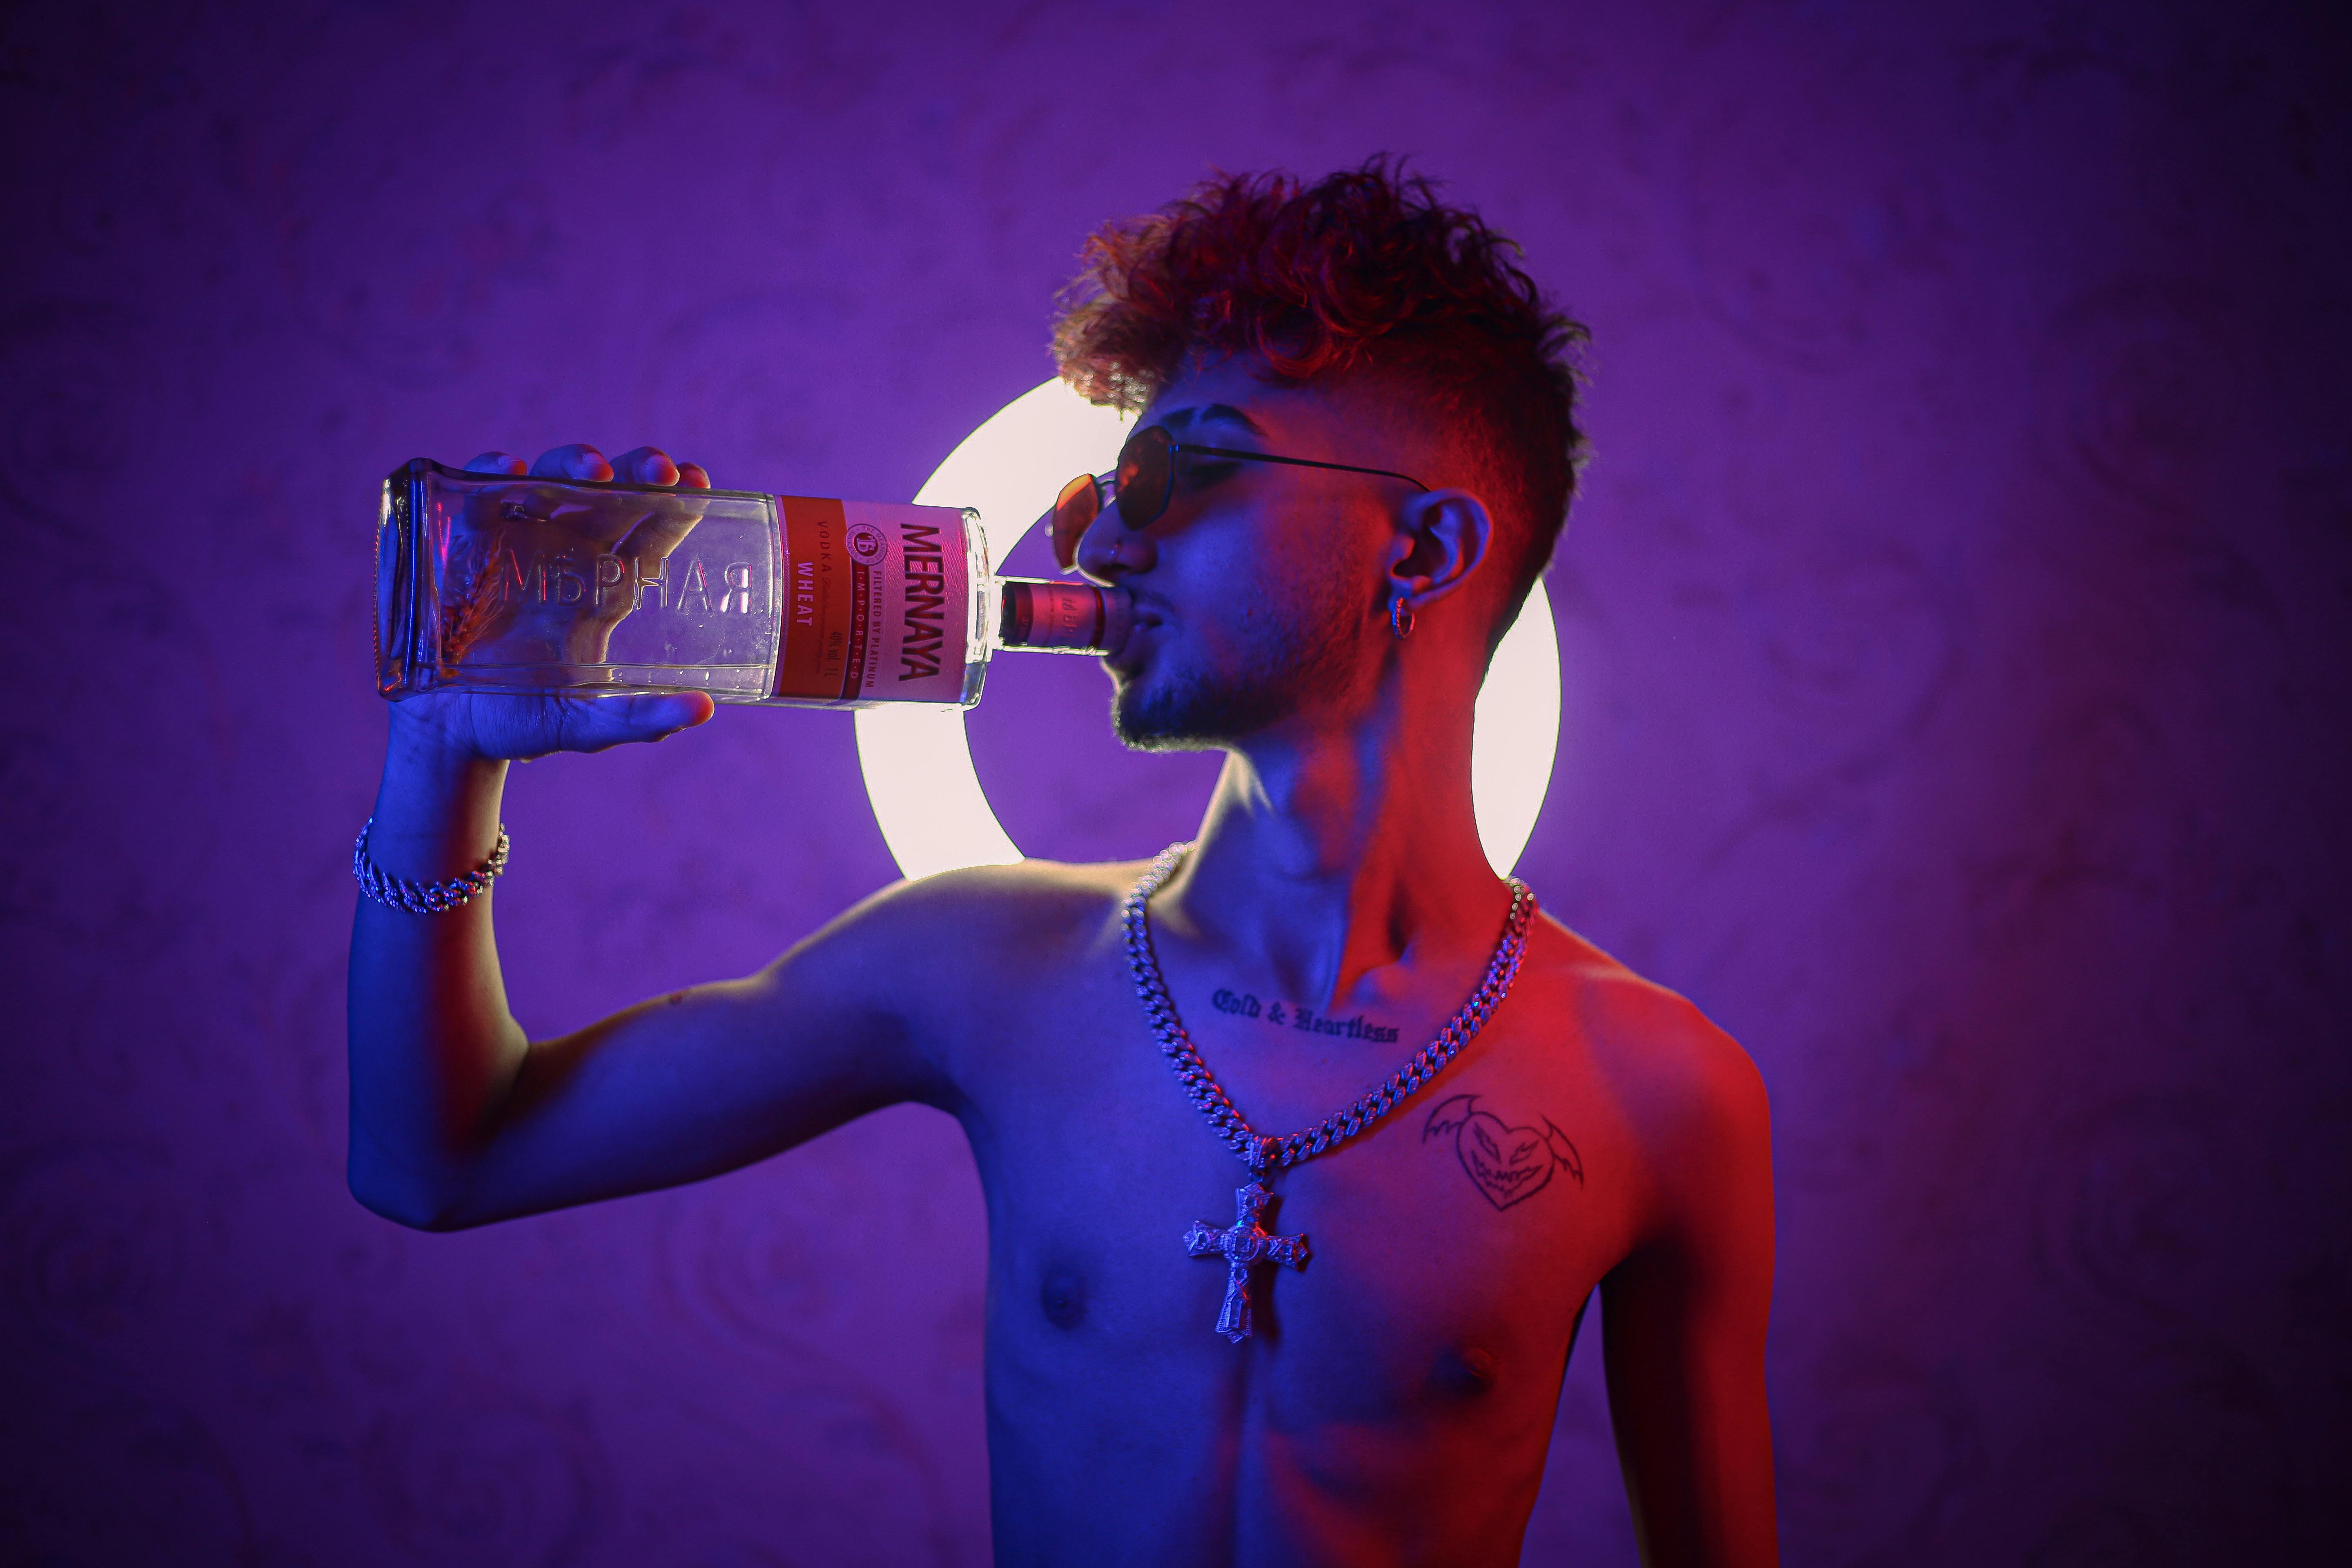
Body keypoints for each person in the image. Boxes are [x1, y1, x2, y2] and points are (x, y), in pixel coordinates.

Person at [347, 161, 1778, 1566]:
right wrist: (445, 757)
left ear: (1424, 551)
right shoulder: (983, 963)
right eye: (1106, 483)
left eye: (1178, 472)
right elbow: (441, 1163)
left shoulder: (1659, 1091)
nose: (1098, 542)